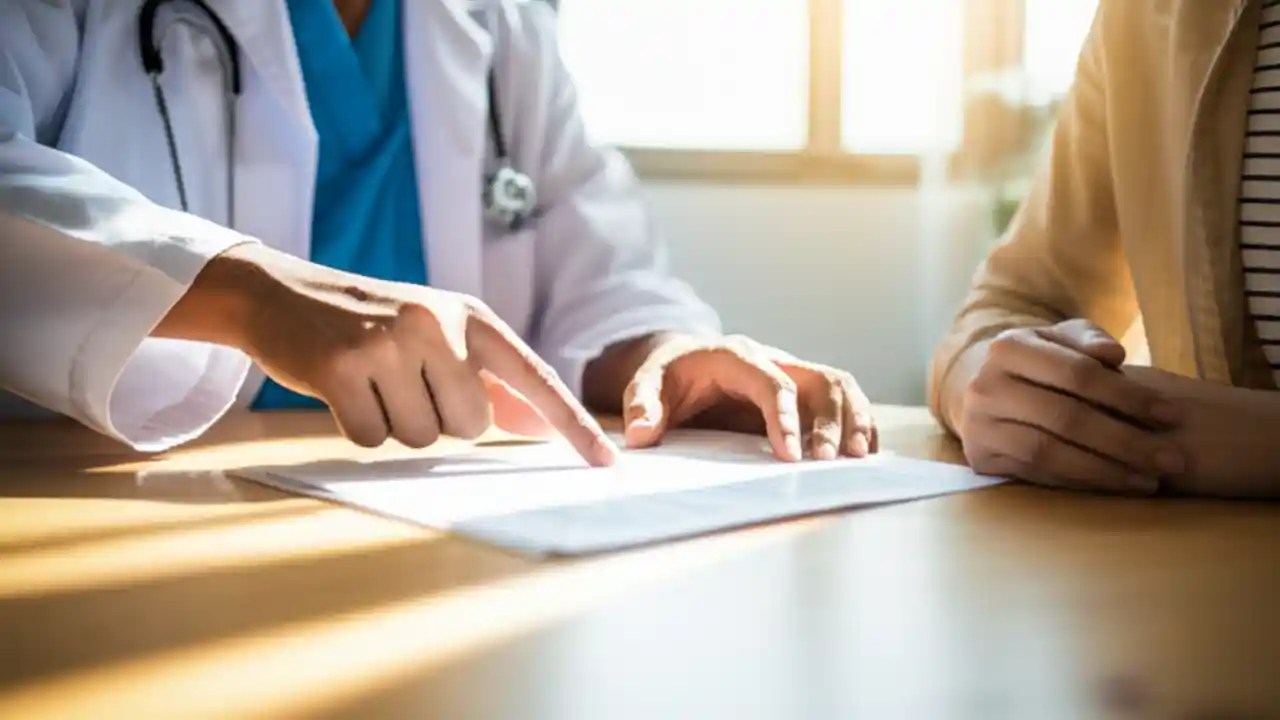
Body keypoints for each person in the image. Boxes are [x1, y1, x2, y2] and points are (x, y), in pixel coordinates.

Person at [0, 0, 876, 466]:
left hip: (437, 530)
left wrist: (661, 353)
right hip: (98, 498)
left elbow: (601, 268)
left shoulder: (503, 26)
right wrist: (247, 292)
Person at [930, 0, 1280, 498]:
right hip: (1191, 562)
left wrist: (1232, 441)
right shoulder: (1145, 17)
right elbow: (1013, 305)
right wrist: (986, 391)